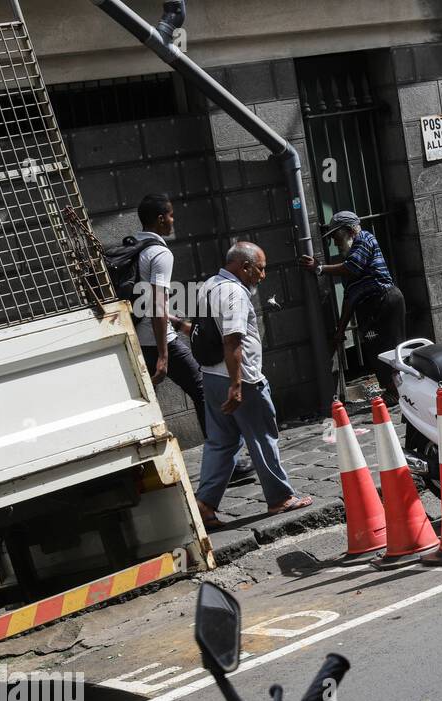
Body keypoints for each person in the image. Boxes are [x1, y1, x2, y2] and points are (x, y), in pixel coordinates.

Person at [133, 194, 254, 482]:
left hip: (137, 337)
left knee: (145, 402)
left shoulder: (135, 246)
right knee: (203, 390)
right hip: (158, 340)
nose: (174, 220)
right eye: (171, 215)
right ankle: (227, 463)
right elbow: (157, 303)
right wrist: (164, 354)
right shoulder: (160, 253)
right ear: (161, 218)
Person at [194, 242, 311, 531]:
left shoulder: (209, 284)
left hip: (210, 376)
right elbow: (232, 339)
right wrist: (237, 385)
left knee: (222, 442)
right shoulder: (234, 293)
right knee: (262, 436)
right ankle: (280, 498)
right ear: (244, 267)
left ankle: (204, 505)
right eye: (260, 268)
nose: (263, 275)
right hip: (242, 379)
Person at [300, 211, 404, 403]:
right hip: (371, 306)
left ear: (349, 231)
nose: (334, 242)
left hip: (383, 300)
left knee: (387, 346)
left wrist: (319, 269)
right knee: (376, 349)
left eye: (335, 236)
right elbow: (349, 297)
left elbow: (352, 267)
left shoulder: (364, 238)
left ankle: (396, 391)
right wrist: (340, 330)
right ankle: (393, 389)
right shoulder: (349, 256)